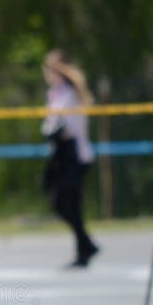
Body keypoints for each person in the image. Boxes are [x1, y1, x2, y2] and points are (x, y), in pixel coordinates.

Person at [41, 49, 100, 267]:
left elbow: (69, 127)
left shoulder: (70, 94)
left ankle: (84, 249)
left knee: (68, 204)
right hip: (61, 155)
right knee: (63, 203)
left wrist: (55, 130)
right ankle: (85, 246)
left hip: (74, 155)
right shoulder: (55, 94)